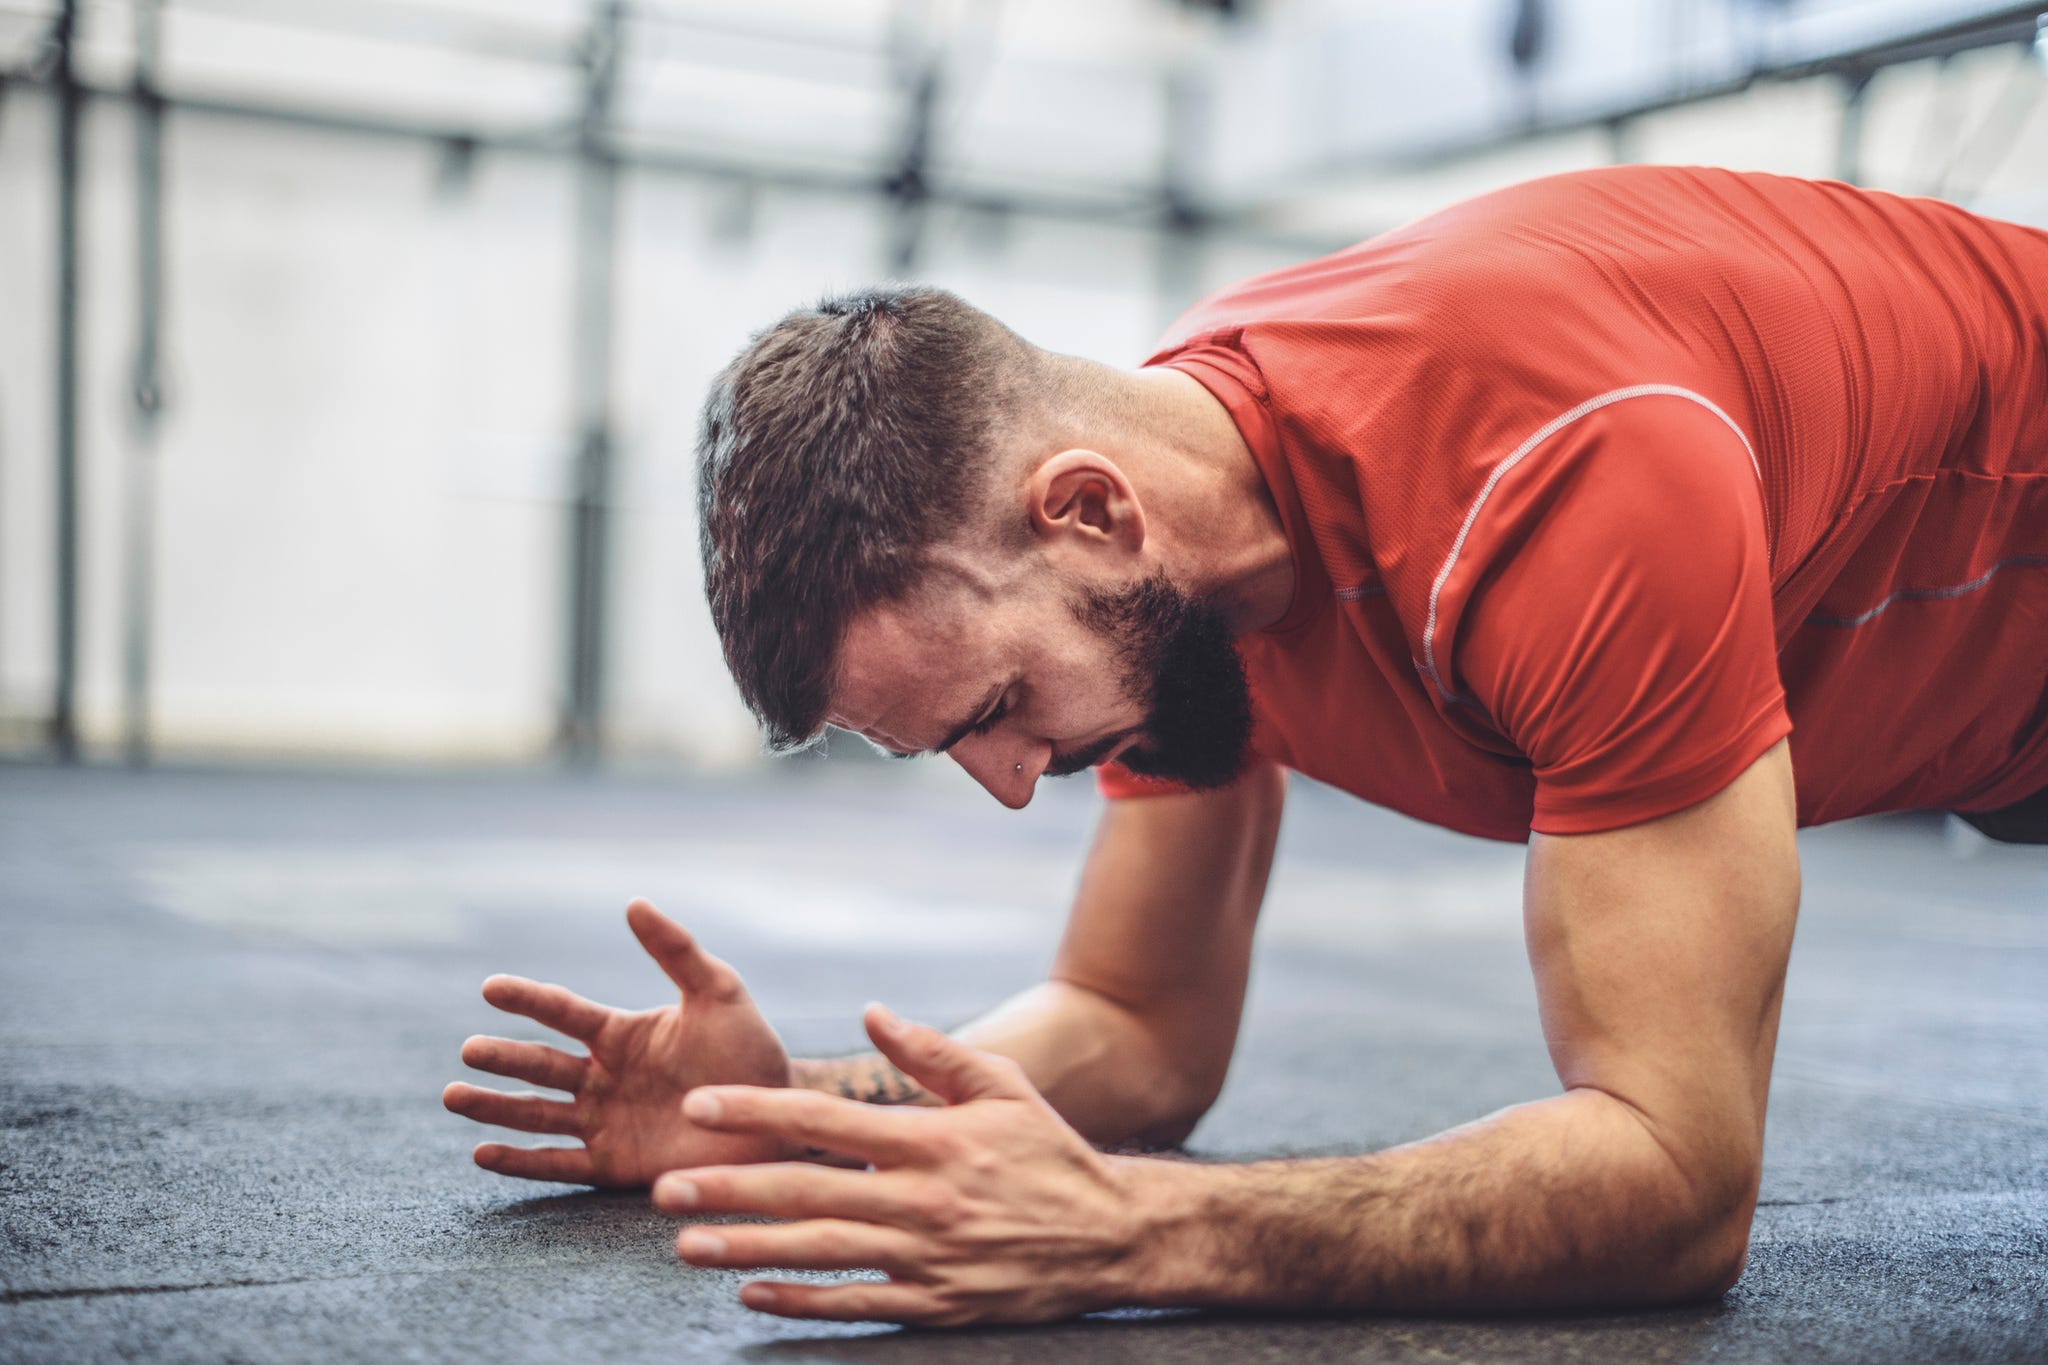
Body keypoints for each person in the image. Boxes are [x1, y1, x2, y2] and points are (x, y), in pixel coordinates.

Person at [443, 165, 2048, 1326]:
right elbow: (1140, 1023)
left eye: (997, 710)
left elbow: (1679, 1176)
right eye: (950, 748)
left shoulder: (1564, 479)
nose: (1012, 781)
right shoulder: (1173, 572)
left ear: (1088, 509)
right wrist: (785, 1106)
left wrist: (1130, 1233)